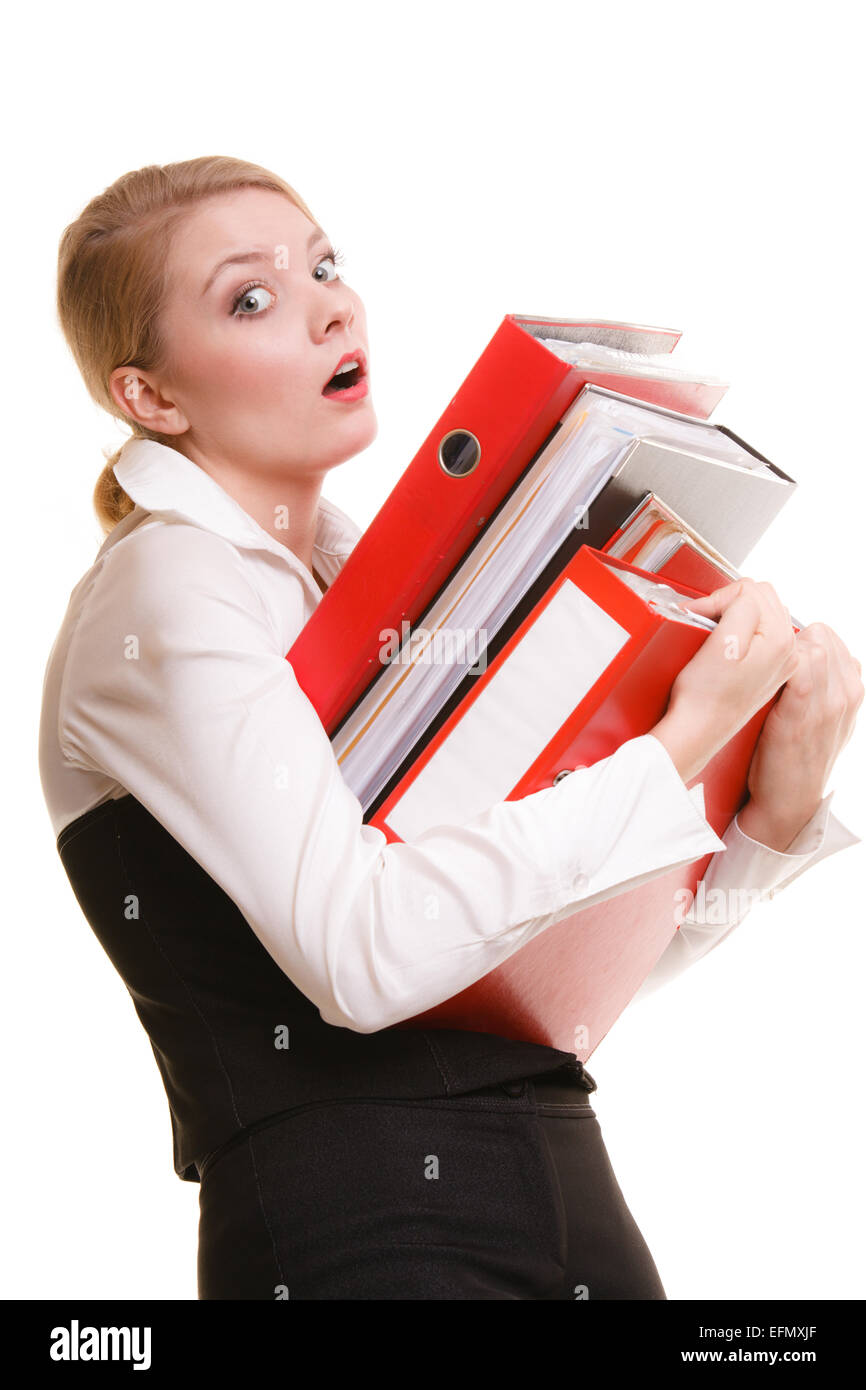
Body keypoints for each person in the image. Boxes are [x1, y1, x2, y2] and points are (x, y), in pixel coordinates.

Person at [38, 155, 863, 1301]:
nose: (332, 302)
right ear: (152, 398)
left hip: (568, 1194)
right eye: (252, 296)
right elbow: (366, 962)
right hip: (364, 1224)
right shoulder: (167, 588)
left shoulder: (362, 578)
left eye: (324, 263)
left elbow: (540, 977)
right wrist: (670, 749)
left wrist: (770, 811)